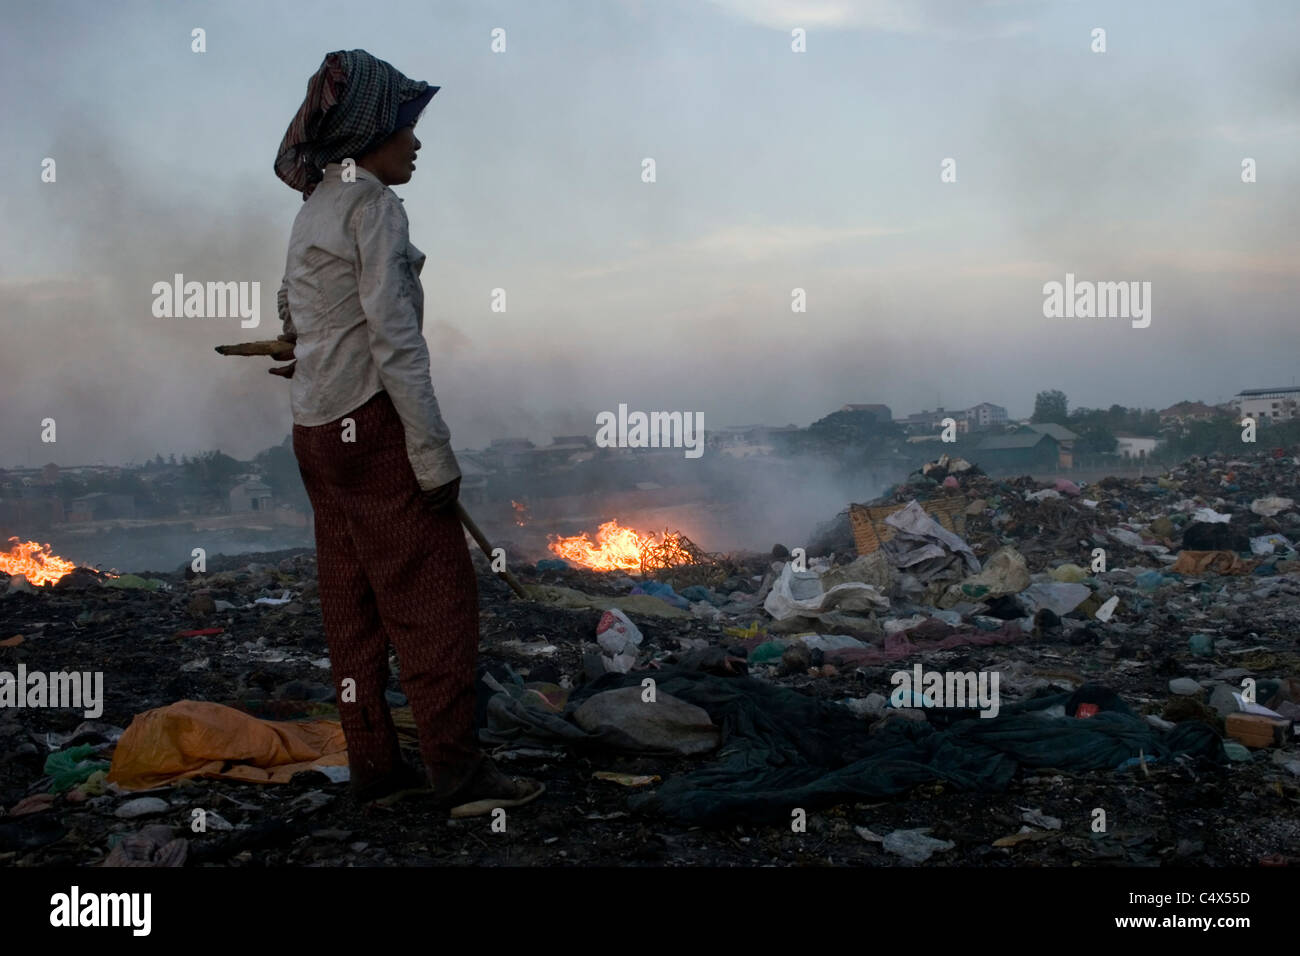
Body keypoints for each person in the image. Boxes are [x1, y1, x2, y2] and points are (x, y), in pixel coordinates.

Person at [272, 49, 542, 816]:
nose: (416, 144)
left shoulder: (316, 206)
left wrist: (305, 353)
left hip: (315, 433)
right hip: (374, 426)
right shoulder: (374, 206)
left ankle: (377, 773)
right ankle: (458, 776)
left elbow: (300, 313)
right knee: (434, 603)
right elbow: (396, 340)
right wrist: (433, 456)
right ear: (369, 134)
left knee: (351, 604)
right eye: (405, 129)